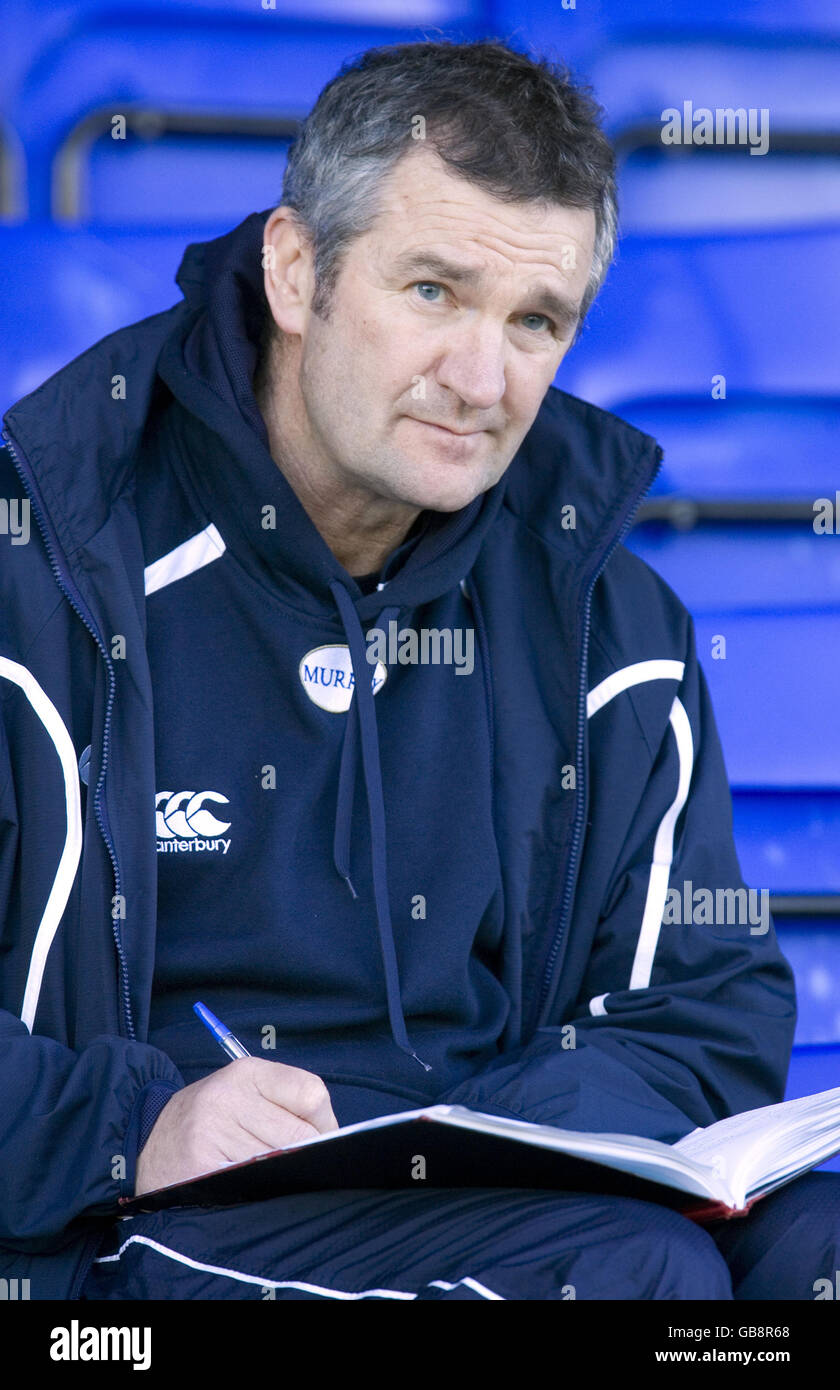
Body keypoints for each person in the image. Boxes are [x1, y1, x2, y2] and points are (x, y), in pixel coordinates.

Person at [0, 37, 836, 1302]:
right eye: (434, 292)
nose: (482, 382)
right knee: (632, 1276)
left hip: (497, 1198)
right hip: (130, 1223)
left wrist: (512, 1131)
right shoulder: (45, 567)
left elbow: (708, 1006)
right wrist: (129, 1128)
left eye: (534, 321)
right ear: (296, 270)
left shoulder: (609, 617)